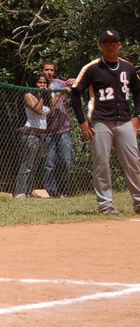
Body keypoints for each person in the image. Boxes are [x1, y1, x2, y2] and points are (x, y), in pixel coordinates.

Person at [69, 29, 140, 215]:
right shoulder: (92, 68)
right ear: (101, 46)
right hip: (100, 121)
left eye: (114, 42)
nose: (110, 46)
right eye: (106, 43)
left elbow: (138, 92)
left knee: (134, 163)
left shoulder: (128, 68)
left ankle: (139, 202)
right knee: (102, 163)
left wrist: (137, 118)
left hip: (125, 121)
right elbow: (75, 93)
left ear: (120, 45)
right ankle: (105, 204)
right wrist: (82, 122)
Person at [14, 73, 50, 199]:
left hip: (41, 135)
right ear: (34, 83)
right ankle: (20, 192)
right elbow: (38, 110)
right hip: (31, 134)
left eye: (44, 83)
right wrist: (41, 95)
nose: (42, 85)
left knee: (34, 166)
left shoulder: (45, 97)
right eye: (40, 83)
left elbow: (52, 111)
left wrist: (55, 95)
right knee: (27, 165)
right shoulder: (29, 96)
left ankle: (29, 192)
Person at [40, 60, 73, 198]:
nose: (49, 72)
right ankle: (51, 192)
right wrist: (60, 93)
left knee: (66, 162)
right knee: (49, 164)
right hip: (47, 131)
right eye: (46, 69)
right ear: (41, 70)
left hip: (63, 129)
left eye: (51, 70)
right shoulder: (39, 85)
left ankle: (64, 192)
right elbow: (50, 105)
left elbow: (77, 86)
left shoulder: (60, 83)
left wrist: (74, 81)